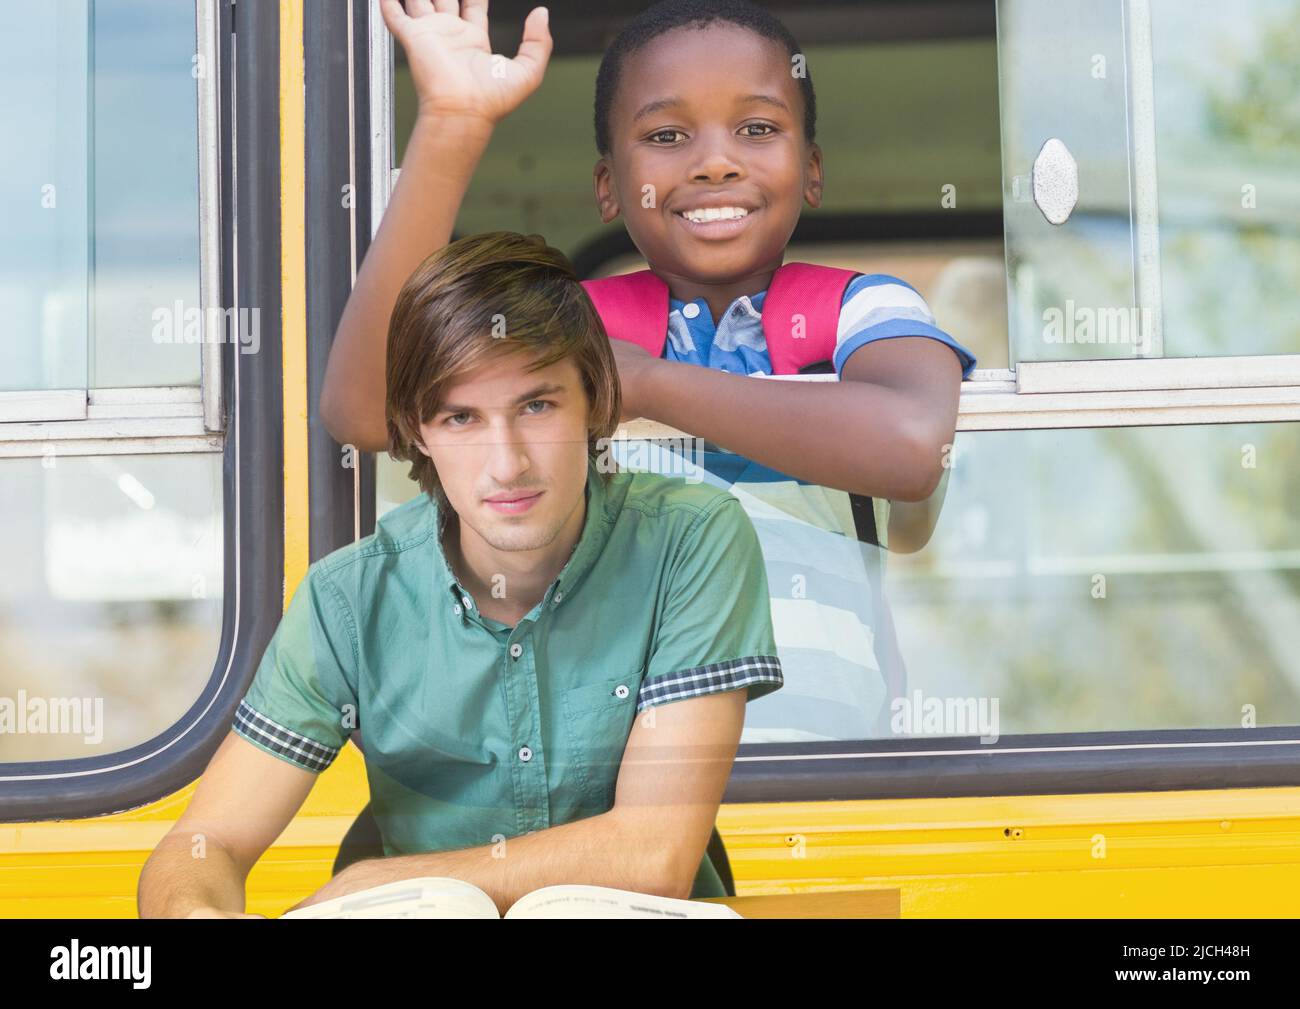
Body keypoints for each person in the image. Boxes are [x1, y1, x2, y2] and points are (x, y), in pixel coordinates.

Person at [320, 0, 977, 741]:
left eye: (757, 129)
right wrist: (452, 123)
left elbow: (913, 444)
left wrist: (647, 383)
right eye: (666, 136)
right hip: (602, 792)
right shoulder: (563, 323)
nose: (715, 161)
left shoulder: (859, 309)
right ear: (608, 188)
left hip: (826, 779)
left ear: (812, 170)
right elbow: (368, 406)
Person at [136, 232, 782, 918]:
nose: (507, 464)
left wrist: (378, 880)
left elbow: (653, 853)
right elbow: (206, 841)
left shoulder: (692, 539)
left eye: (537, 406)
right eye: (461, 417)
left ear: (595, 400)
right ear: (418, 430)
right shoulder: (346, 601)